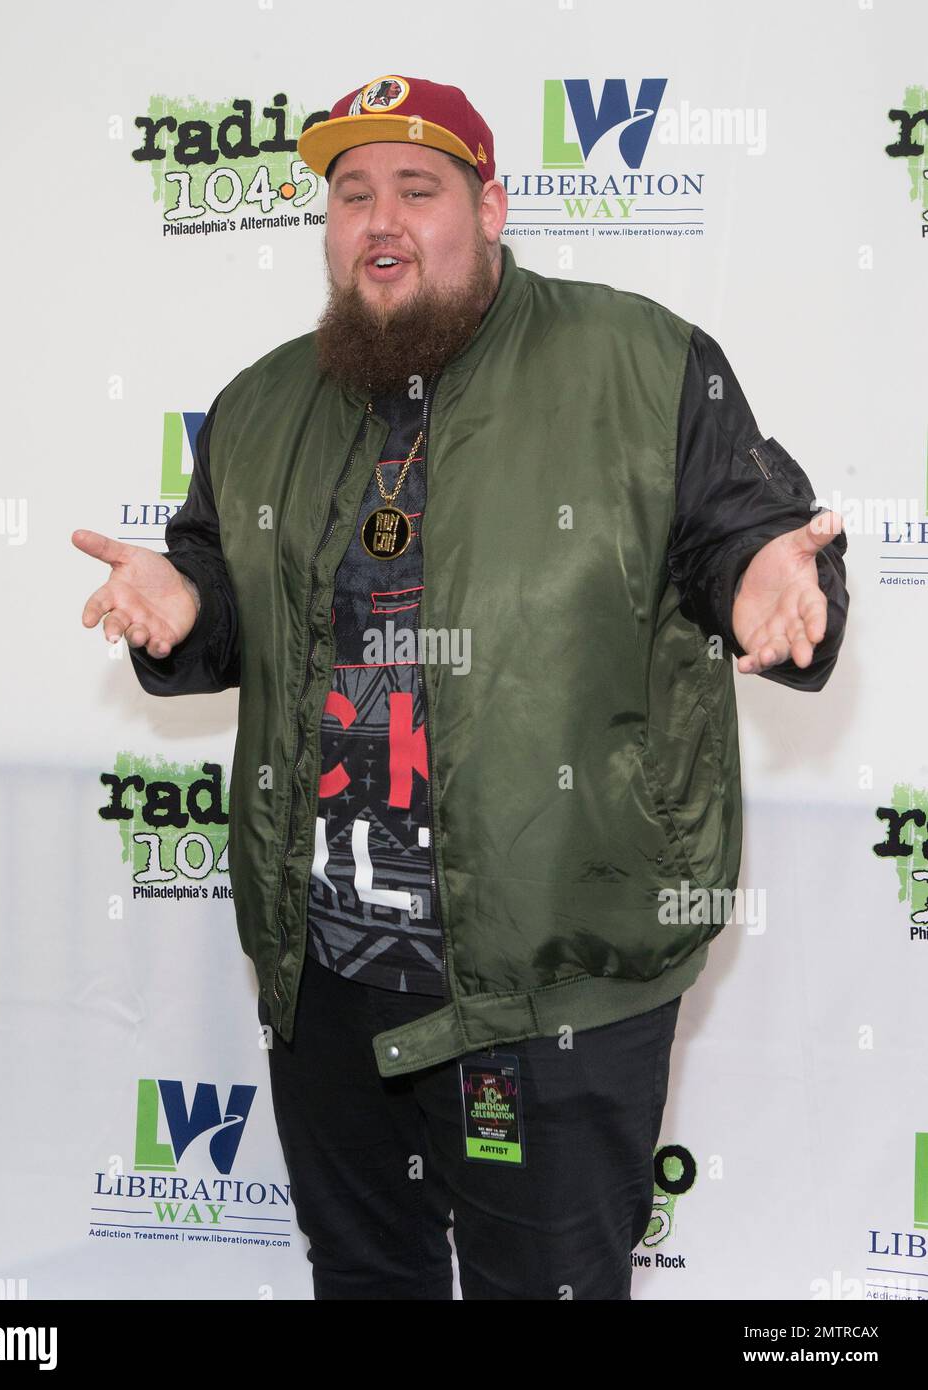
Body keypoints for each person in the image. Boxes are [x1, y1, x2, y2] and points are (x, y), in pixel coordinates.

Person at [73, 75, 848, 1300]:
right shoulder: (263, 402)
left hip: (547, 981)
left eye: (416, 190)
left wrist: (767, 578)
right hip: (325, 970)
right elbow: (224, 609)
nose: (378, 220)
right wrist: (182, 612)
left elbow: (745, 535)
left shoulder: (641, 363)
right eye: (351, 194)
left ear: (490, 206)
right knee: (364, 1274)